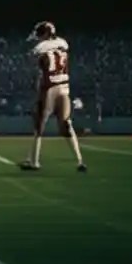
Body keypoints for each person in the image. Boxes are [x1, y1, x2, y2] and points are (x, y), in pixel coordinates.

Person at [21, 21, 86, 172]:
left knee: (39, 126)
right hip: (64, 88)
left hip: (49, 88)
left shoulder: (40, 48)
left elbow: (35, 60)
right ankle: (80, 161)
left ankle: (34, 162)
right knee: (66, 124)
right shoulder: (63, 43)